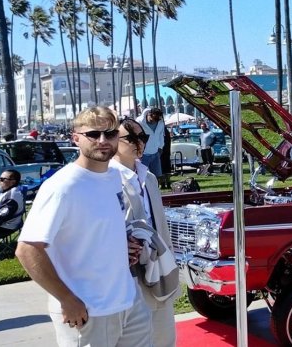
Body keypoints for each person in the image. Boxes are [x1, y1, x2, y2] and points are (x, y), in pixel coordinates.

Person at [16, 106, 151, 346]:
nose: (102, 140)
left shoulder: (112, 177)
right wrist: (66, 299)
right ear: (75, 138)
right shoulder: (62, 186)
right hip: (87, 310)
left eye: (110, 134)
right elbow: (27, 249)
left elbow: (95, 228)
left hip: (128, 300)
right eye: (93, 134)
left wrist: (122, 244)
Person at [112, 118, 178, 347]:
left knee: (164, 336)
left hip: (158, 266)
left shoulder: (148, 178)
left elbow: (160, 222)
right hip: (127, 272)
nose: (138, 143)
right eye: (130, 138)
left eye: (142, 137)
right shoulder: (109, 179)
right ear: (114, 140)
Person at [137, 107, 167, 179]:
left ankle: (155, 189)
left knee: (157, 176)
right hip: (143, 154)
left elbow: (161, 135)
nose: (155, 121)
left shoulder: (160, 123)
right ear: (149, 114)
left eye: (158, 119)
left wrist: (160, 147)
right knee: (143, 176)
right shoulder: (139, 122)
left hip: (155, 153)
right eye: (154, 119)